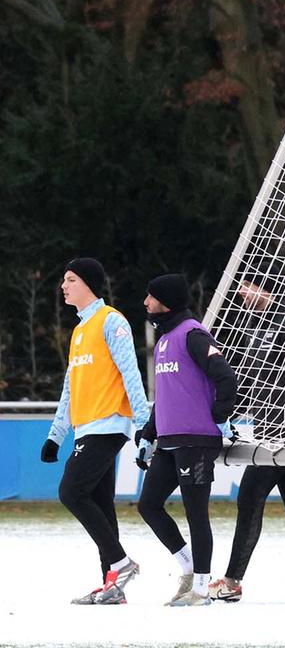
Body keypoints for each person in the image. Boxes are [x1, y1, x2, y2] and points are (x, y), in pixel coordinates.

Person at [208, 265, 285, 603]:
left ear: (267, 289)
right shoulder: (255, 326)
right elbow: (256, 382)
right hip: (268, 428)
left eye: (248, 286)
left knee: (250, 496)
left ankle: (233, 580)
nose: (242, 293)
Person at [42, 258, 150, 605]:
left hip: (109, 425)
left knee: (71, 492)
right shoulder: (79, 330)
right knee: (101, 504)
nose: (64, 286)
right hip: (86, 427)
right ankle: (112, 588)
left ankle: (121, 564)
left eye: (70, 279)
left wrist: (146, 425)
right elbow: (70, 388)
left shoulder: (111, 321)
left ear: (88, 283)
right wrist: (56, 434)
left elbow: (131, 373)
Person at [134, 274, 238, 607]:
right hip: (169, 440)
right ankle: (190, 567)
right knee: (148, 504)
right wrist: (149, 433)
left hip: (196, 440)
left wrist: (218, 416)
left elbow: (225, 377)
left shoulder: (192, 334)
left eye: (150, 297)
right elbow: (165, 396)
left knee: (196, 513)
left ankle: (202, 588)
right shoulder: (164, 338)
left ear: (165, 300)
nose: (146, 303)